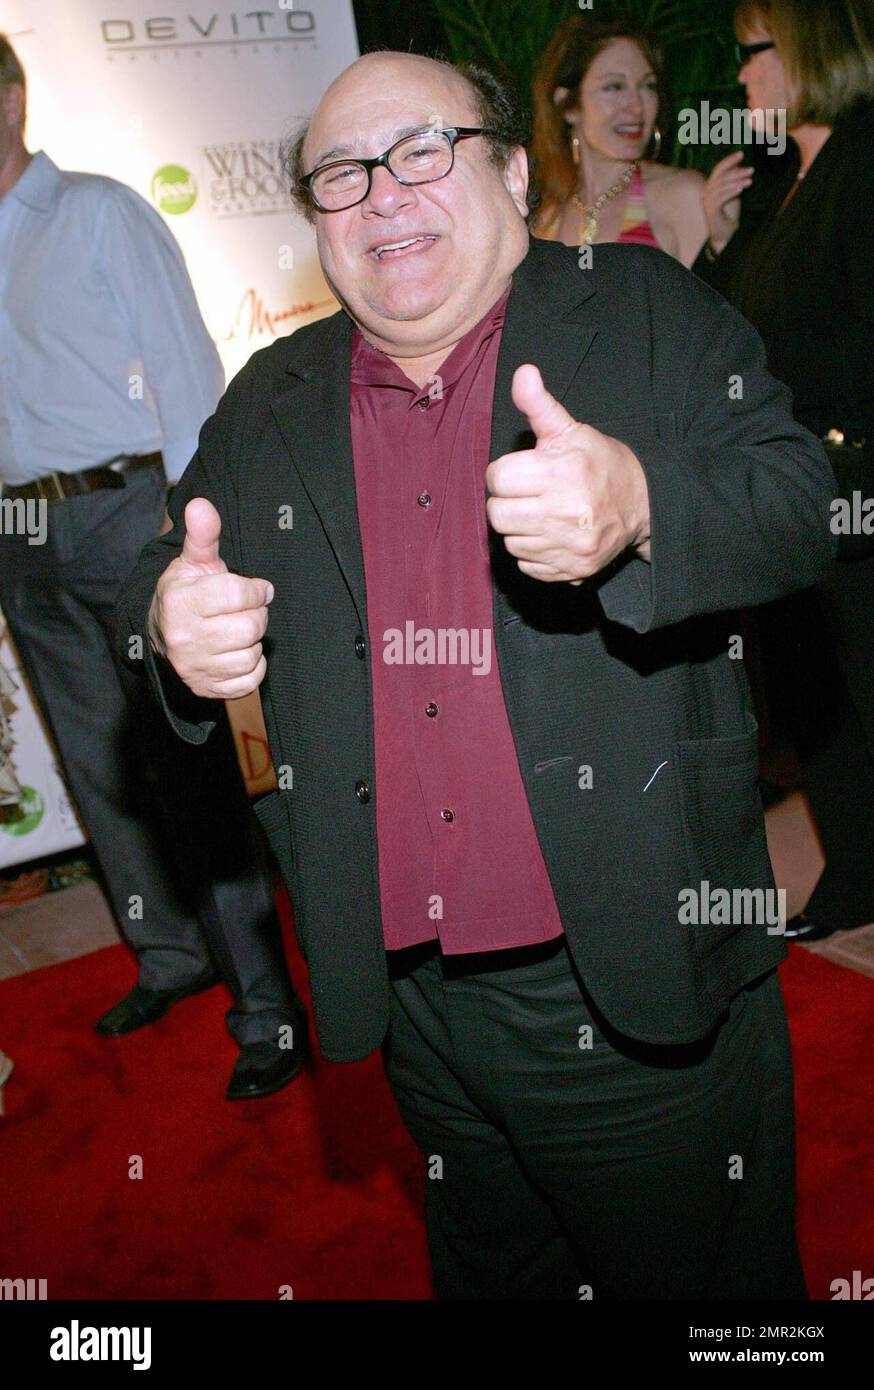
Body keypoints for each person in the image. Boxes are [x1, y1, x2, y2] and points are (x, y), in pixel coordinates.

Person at [118, 50, 836, 1298]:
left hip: (627, 975)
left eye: (419, 151)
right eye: (339, 175)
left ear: (509, 169)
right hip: (408, 1000)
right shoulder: (271, 395)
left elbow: (803, 502)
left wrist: (645, 507)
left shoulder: (643, 307)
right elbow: (168, 569)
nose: (380, 194)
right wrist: (174, 629)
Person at [0, 35, 307, 1100]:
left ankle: (268, 1009)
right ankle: (169, 957)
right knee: (98, 763)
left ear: (12, 96)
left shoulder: (96, 213)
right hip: (20, 534)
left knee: (189, 767)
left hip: (132, 512)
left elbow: (186, 370)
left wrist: (192, 527)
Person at [696, 0, 874, 941]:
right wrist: (722, 239)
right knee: (821, 705)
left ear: (805, 51)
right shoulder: (782, 184)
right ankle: (856, 877)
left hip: (854, 488)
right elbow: (740, 333)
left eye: (752, 54)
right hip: (795, 496)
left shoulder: (863, 162)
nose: (740, 78)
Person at [531, 14, 707, 265]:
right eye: (614, 87)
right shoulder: (543, 215)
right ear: (568, 105)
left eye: (648, 86)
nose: (636, 106)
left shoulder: (684, 196)